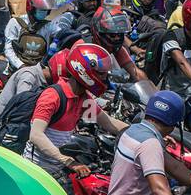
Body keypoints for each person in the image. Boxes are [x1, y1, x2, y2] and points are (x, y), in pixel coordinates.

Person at [26, 43, 127, 183]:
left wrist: (144, 132)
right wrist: (68, 161)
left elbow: (108, 123)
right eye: (101, 73)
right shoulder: (53, 96)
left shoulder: (83, 99)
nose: (105, 78)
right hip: (36, 171)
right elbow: (36, 136)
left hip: (57, 170)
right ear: (83, 70)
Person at [3, 0, 54, 68]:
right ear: (31, 8)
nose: (43, 12)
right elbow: (8, 49)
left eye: (45, 10)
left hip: (39, 69)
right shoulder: (15, 23)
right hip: (17, 68)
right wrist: (20, 65)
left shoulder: (49, 26)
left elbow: (60, 33)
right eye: (40, 9)